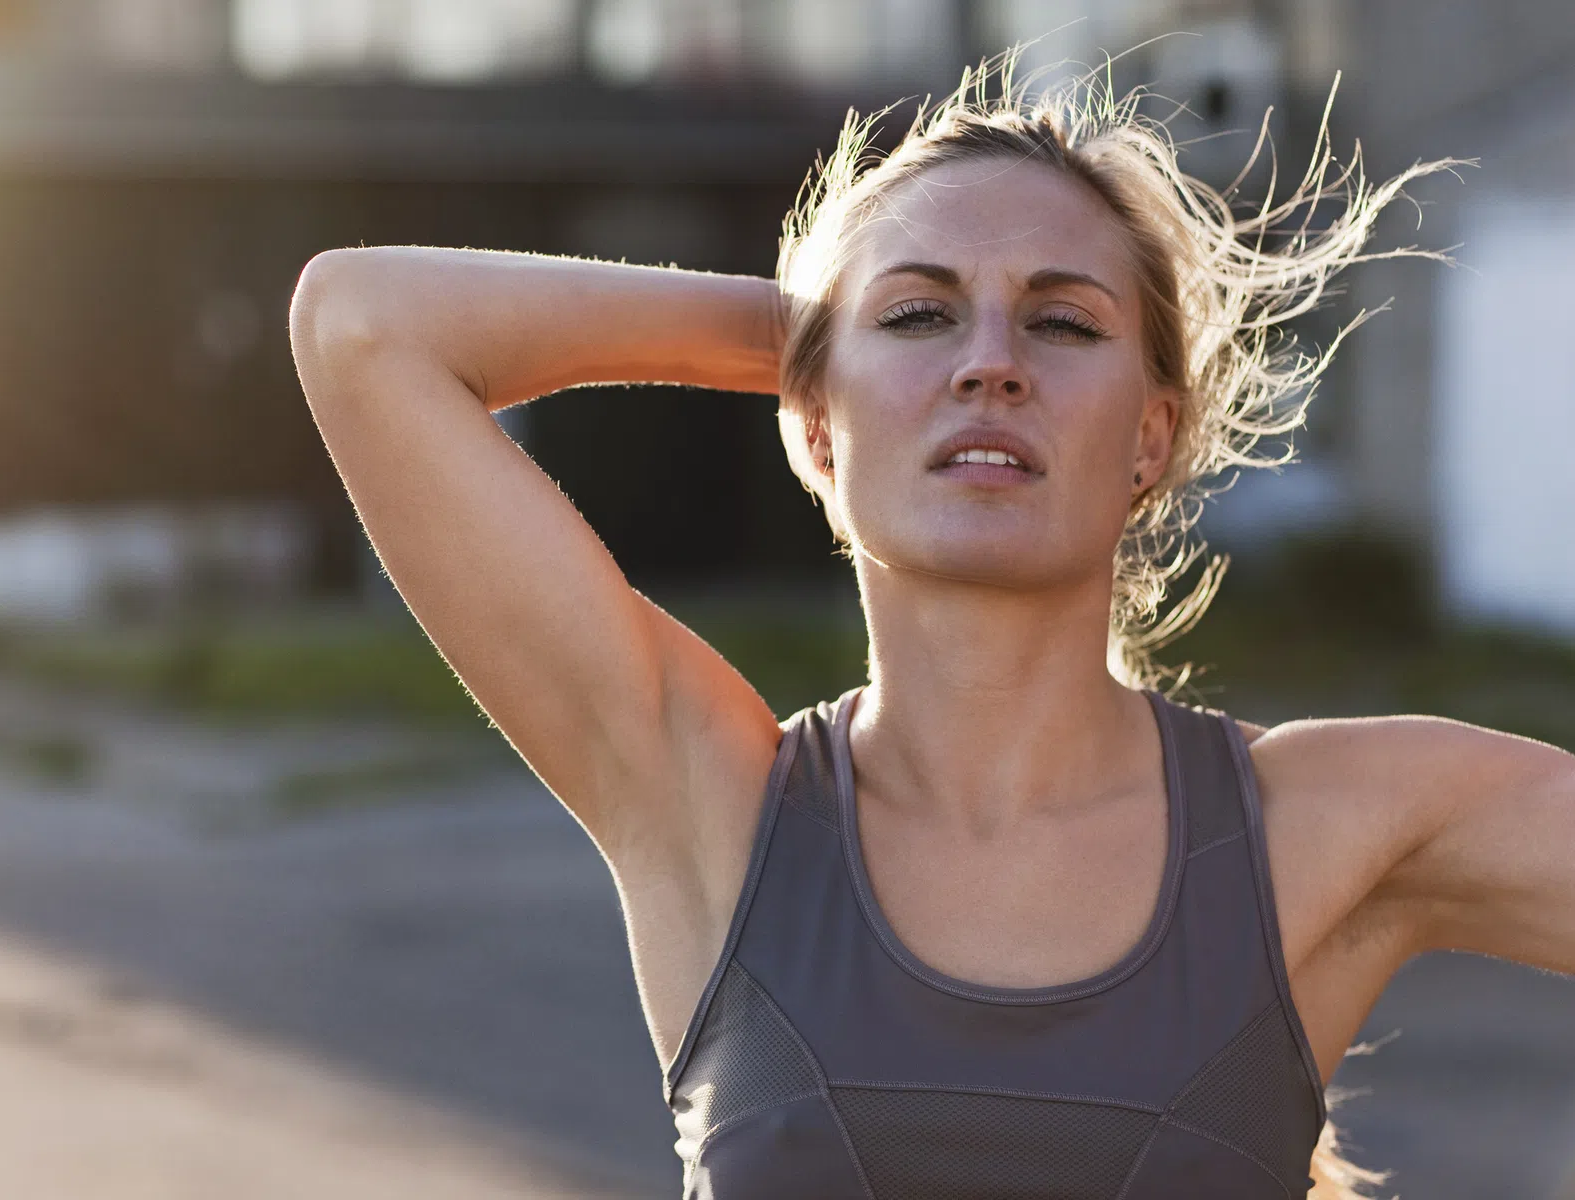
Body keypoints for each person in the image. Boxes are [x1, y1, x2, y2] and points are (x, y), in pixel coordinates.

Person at [288, 51, 1573, 1199]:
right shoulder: (716, 805)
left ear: (1150, 434)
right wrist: (814, 345)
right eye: (922, 316)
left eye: (1064, 323)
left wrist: (867, 351)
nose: (989, 364)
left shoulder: (1338, 825)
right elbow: (361, 326)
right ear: (812, 429)